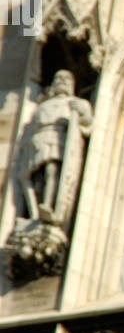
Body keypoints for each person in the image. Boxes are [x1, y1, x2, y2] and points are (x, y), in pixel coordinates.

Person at [18, 70, 93, 224]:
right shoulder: (43, 106)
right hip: (40, 140)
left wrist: (81, 111)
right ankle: (35, 212)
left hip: (58, 139)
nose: (62, 81)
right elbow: (32, 128)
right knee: (35, 177)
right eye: (58, 78)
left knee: (51, 171)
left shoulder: (76, 102)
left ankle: (49, 205)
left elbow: (88, 123)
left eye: (66, 79)